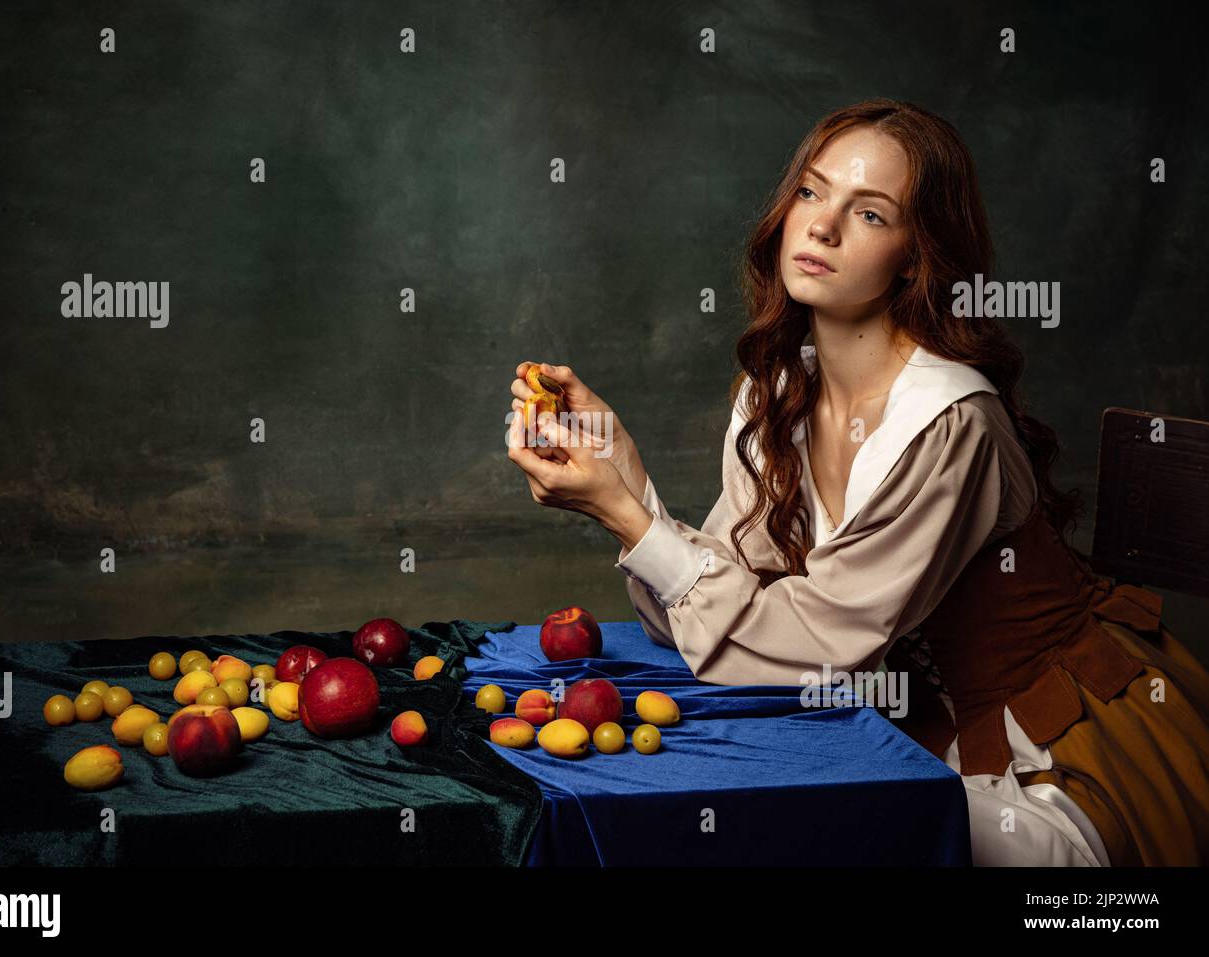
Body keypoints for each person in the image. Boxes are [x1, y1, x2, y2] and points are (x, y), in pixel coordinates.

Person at [505, 98, 1209, 867]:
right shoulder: (778, 394)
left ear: (916, 254)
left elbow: (816, 644)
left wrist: (630, 519)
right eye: (811, 191)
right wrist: (625, 479)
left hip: (1053, 753)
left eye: (870, 214)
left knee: (804, 838)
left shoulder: (949, 421)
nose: (822, 226)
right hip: (902, 730)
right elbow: (736, 615)